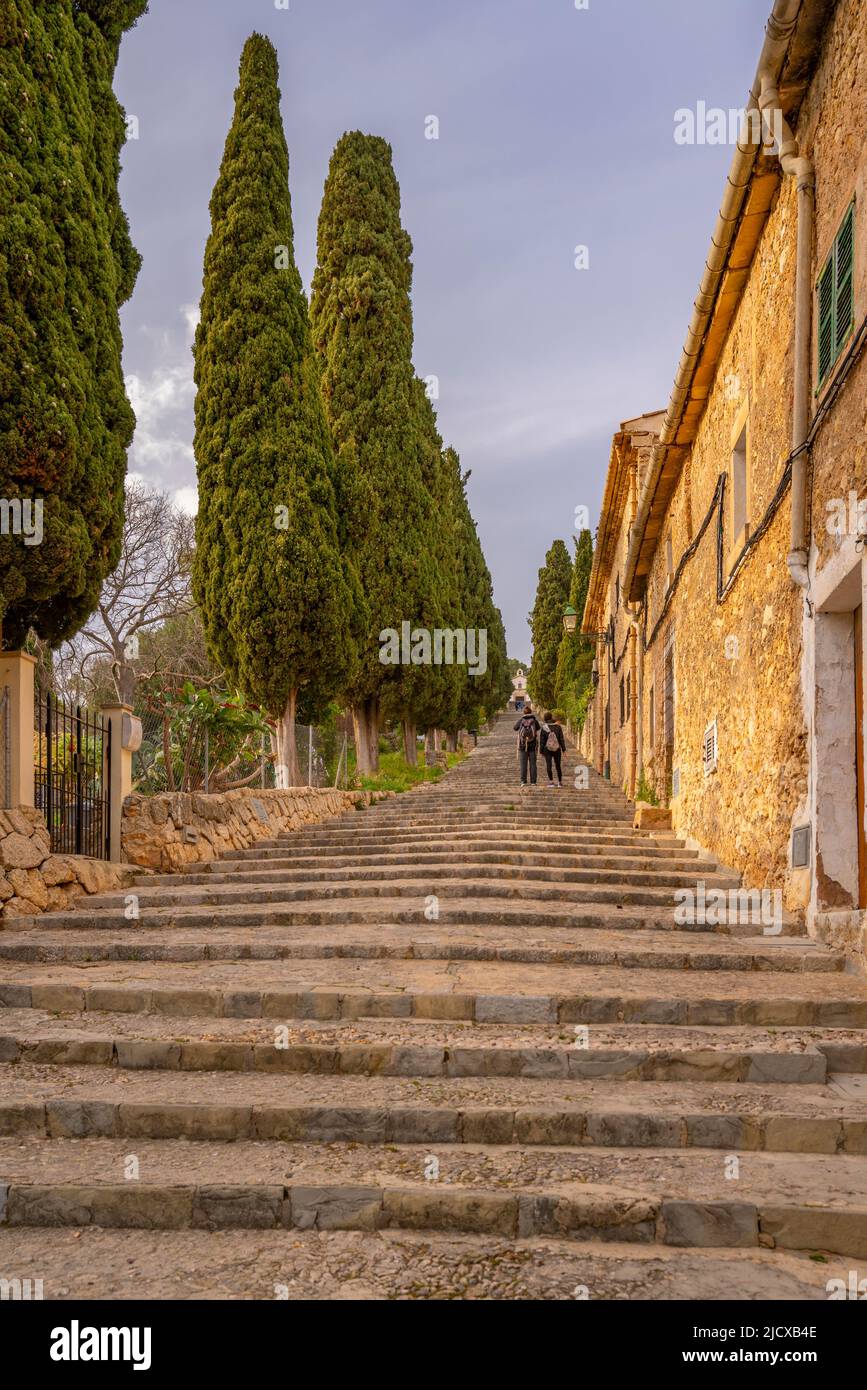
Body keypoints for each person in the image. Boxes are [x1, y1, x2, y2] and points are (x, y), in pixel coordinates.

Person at [514, 703, 541, 788]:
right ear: (531, 712)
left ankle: (523, 781)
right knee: (533, 764)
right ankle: (533, 781)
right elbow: (538, 728)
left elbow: (515, 728)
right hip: (533, 745)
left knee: (523, 764)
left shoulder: (521, 720)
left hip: (522, 745)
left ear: (524, 713)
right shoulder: (534, 720)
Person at [540, 711, 566, 788]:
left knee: (549, 765)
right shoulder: (558, 727)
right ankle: (560, 782)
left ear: (545, 718)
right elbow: (561, 739)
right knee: (558, 765)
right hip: (557, 749)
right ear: (551, 717)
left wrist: (541, 750)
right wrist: (564, 749)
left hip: (547, 749)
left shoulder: (544, 727)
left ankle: (551, 782)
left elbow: (542, 740)